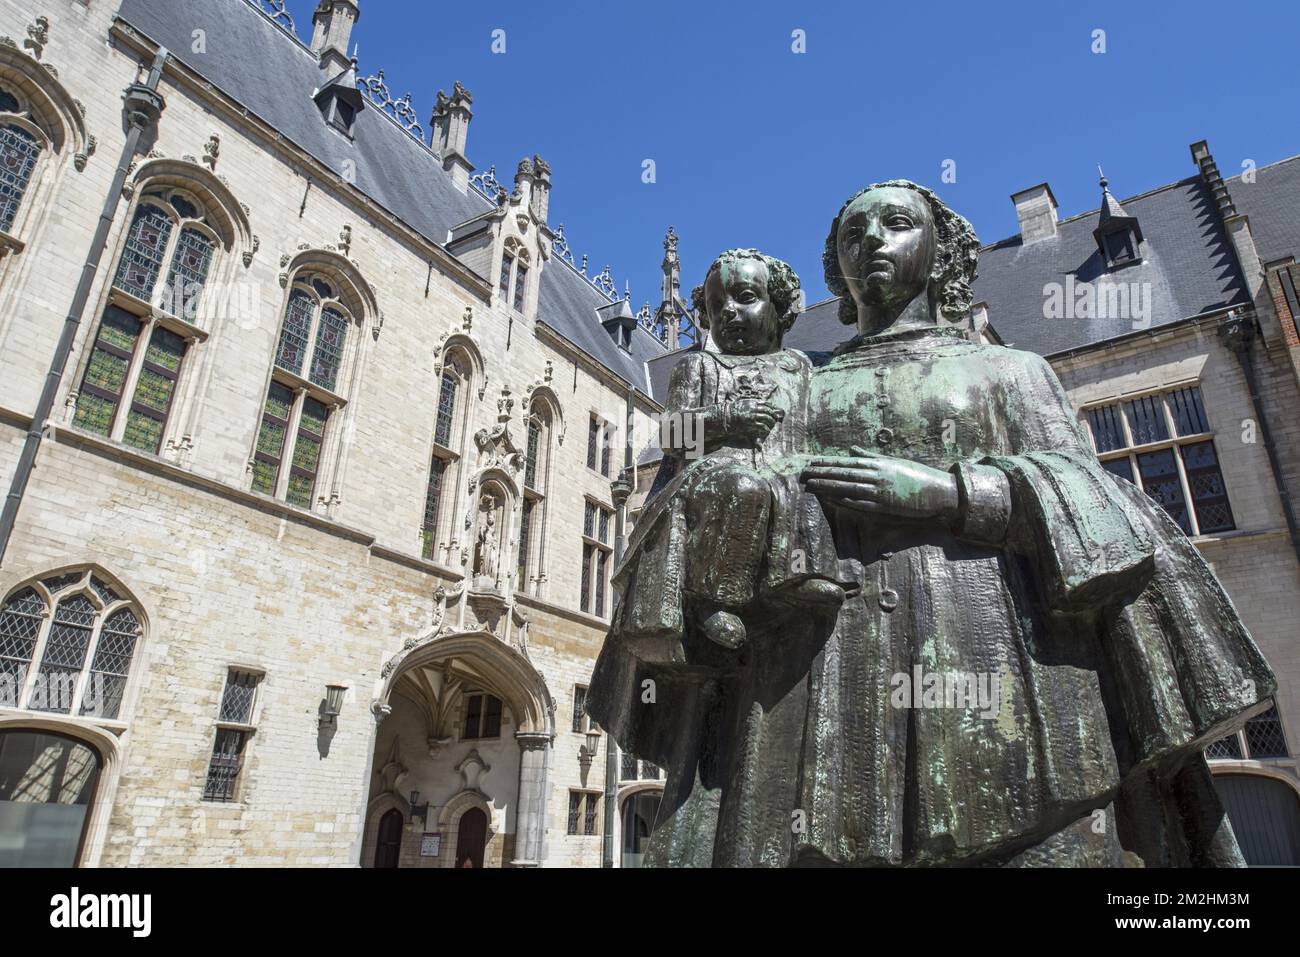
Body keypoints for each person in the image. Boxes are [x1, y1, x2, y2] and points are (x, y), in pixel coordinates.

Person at [589, 181, 1275, 868]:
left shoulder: (1009, 371)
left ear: (940, 249)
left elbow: (1096, 500)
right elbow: (709, 488)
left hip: (1003, 676)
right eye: (854, 236)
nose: (873, 243)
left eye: (896, 224)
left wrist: (949, 491)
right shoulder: (797, 382)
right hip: (817, 693)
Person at [611, 248, 848, 656]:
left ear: (781, 306)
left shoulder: (806, 367)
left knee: (806, 481)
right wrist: (726, 418)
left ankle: (800, 572)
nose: (729, 313)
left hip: (785, 473)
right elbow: (672, 435)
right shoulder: (699, 367)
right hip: (713, 481)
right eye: (717, 306)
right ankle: (713, 599)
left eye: (745, 298)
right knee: (745, 486)